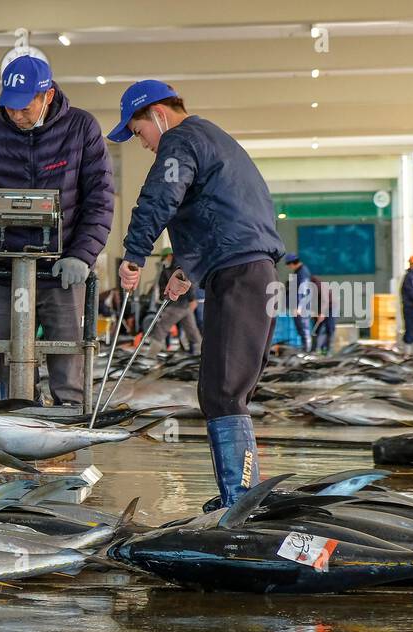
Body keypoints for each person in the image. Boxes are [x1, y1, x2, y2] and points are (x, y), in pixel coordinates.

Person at [108, 79, 285, 506]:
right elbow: (225, 213)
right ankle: (238, 496)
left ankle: (239, 502)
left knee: (222, 392)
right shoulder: (215, 140)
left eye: (138, 132)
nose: (143, 144)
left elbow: (161, 196)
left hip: (241, 278)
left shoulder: (181, 139)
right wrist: (187, 268)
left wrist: (133, 253)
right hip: (252, 274)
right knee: (226, 390)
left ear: (157, 115)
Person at [0, 54, 114, 406]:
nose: (16, 115)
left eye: (24, 107)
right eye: (9, 107)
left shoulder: (82, 129)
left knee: (68, 358)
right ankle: (20, 420)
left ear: (48, 95)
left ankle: (69, 434)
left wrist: (82, 255)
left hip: (63, 271)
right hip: (7, 270)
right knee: (9, 355)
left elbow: (100, 200)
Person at [150, 248, 201, 354]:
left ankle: (150, 357)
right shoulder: (179, 268)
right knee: (193, 333)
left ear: (169, 256)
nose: (164, 260)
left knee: (160, 329)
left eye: (164, 258)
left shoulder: (174, 271)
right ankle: (200, 357)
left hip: (175, 306)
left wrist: (192, 299)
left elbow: (188, 285)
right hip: (185, 306)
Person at [284, 253, 316, 352]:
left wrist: (300, 307)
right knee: (300, 329)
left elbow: (303, 290)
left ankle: (307, 351)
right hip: (297, 306)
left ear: (292, 263)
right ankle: (305, 349)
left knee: (304, 329)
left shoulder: (302, 272)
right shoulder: (298, 272)